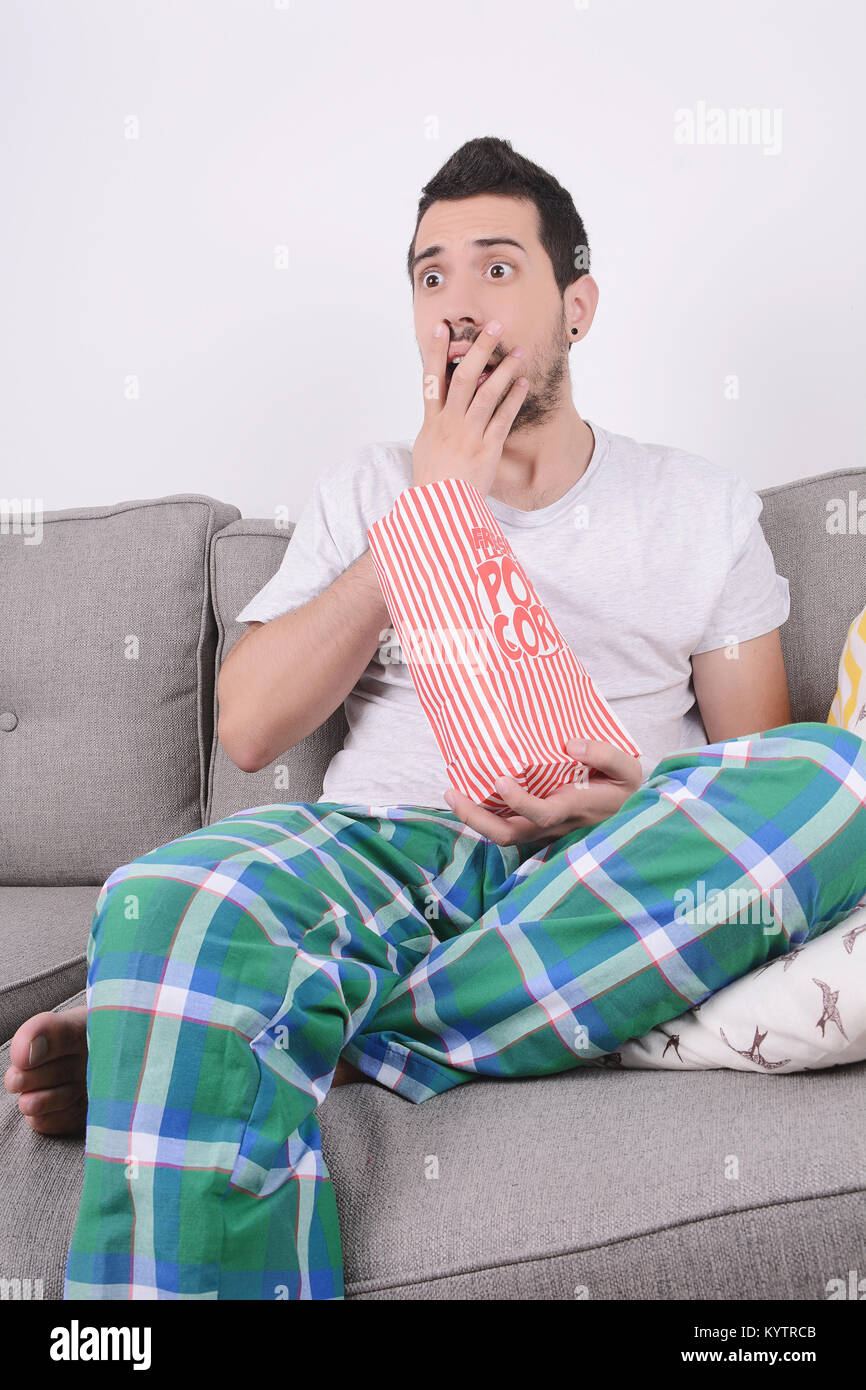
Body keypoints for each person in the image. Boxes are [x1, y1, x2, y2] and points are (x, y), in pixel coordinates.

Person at [5, 137, 865, 1300]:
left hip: (605, 872)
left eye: (496, 268)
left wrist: (636, 796)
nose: (456, 307)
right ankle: (278, 1006)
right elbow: (251, 726)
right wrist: (425, 513)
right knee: (169, 898)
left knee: (837, 778)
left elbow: (754, 769)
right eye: (428, 277)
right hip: (380, 862)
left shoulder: (696, 504)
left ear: (577, 304)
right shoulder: (366, 488)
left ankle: (258, 1026)